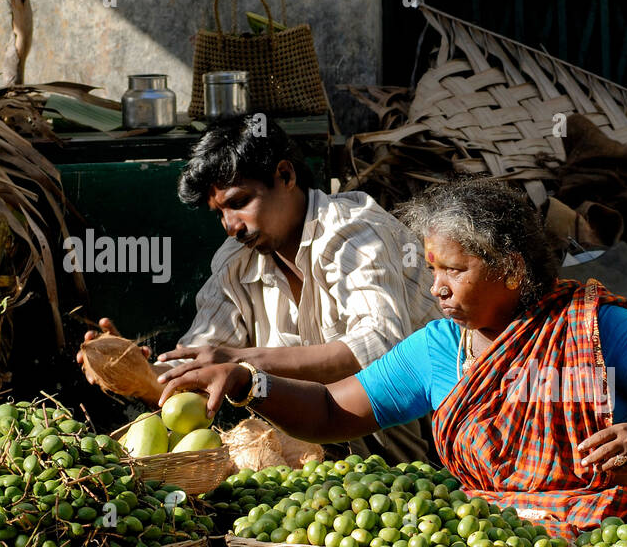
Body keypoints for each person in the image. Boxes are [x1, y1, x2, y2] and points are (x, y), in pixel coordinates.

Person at [159, 178, 627, 535]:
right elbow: (334, 410)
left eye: (454, 269)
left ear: (510, 268)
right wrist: (251, 382)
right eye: (431, 268)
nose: (437, 286)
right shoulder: (437, 349)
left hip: (611, 535)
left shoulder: (591, 327)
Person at [77, 115, 440, 461]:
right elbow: (203, 366)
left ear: (285, 175)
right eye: (219, 213)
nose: (230, 225)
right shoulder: (235, 260)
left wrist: (241, 361)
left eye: (238, 203)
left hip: (419, 452)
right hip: (322, 465)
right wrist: (130, 371)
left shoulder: (354, 233)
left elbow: (380, 348)